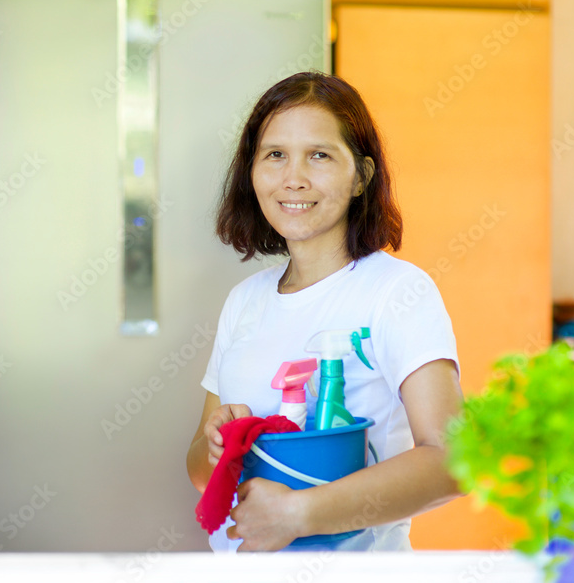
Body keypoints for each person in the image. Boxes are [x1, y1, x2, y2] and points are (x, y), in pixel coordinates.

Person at [186, 71, 464, 552]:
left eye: (319, 155)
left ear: (362, 176)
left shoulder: (397, 291)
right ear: (251, 172)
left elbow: (455, 460)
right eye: (275, 155)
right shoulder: (245, 300)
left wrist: (300, 514)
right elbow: (198, 466)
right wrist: (218, 447)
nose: (293, 178)